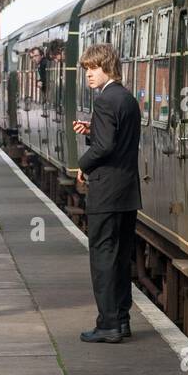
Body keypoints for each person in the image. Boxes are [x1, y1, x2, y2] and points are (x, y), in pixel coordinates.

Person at [73, 43, 141, 344]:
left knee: (102, 257)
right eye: (86, 69)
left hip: (106, 191)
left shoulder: (103, 101)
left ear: (108, 67)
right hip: (127, 190)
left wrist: (82, 165)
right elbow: (117, 139)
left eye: (93, 68)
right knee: (121, 257)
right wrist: (93, 130)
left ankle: (108, 324)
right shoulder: (127, 99)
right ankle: (122, 319)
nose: (89, 74)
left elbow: (104, 147)